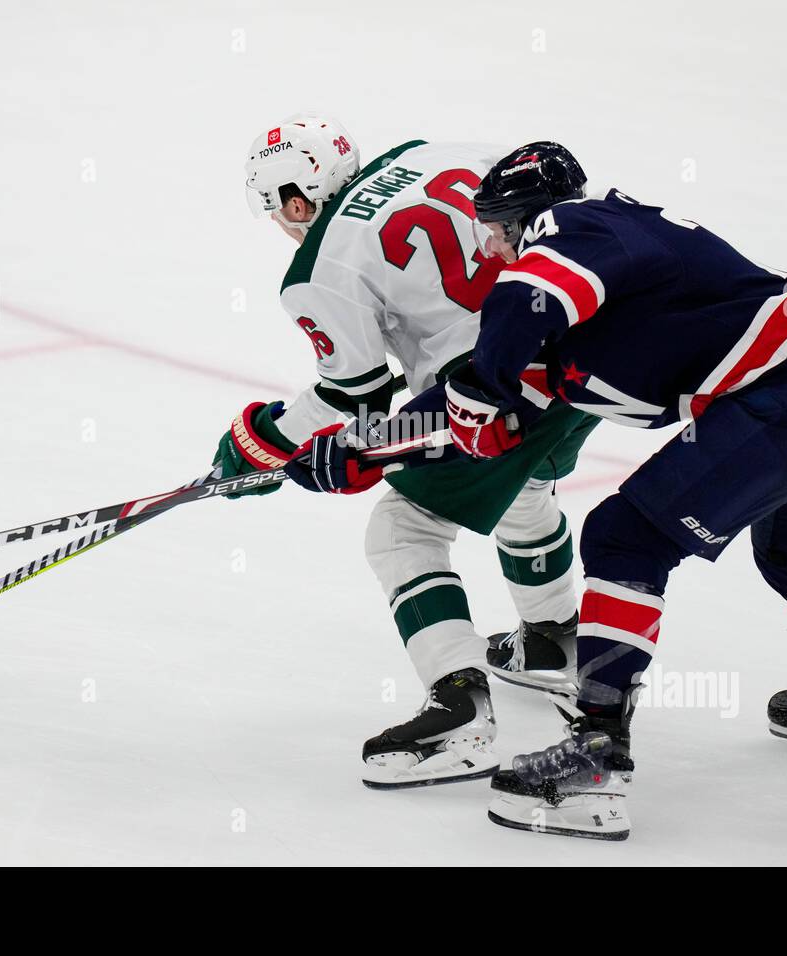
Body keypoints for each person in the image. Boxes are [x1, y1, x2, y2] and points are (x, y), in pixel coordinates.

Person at [437, 141, 787, 839]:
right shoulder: (596, 292)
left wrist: (482, 386)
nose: (496, 252)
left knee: (625, 538)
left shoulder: (577, 227)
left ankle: (595, 758)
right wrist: (335, 450)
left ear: (525, 217)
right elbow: (470, 389)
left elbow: (520, 304)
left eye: (497, 230)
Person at [221, 116, 598, 788]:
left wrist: (262, 442)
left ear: (296, 201)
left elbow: (355, 397)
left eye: (277, 211)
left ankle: (460, 713)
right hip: (586, 344)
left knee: (403, 530)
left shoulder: (316, 267)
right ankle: (552, 640)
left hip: (492, 385)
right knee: (523, 484)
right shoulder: (434, 150)